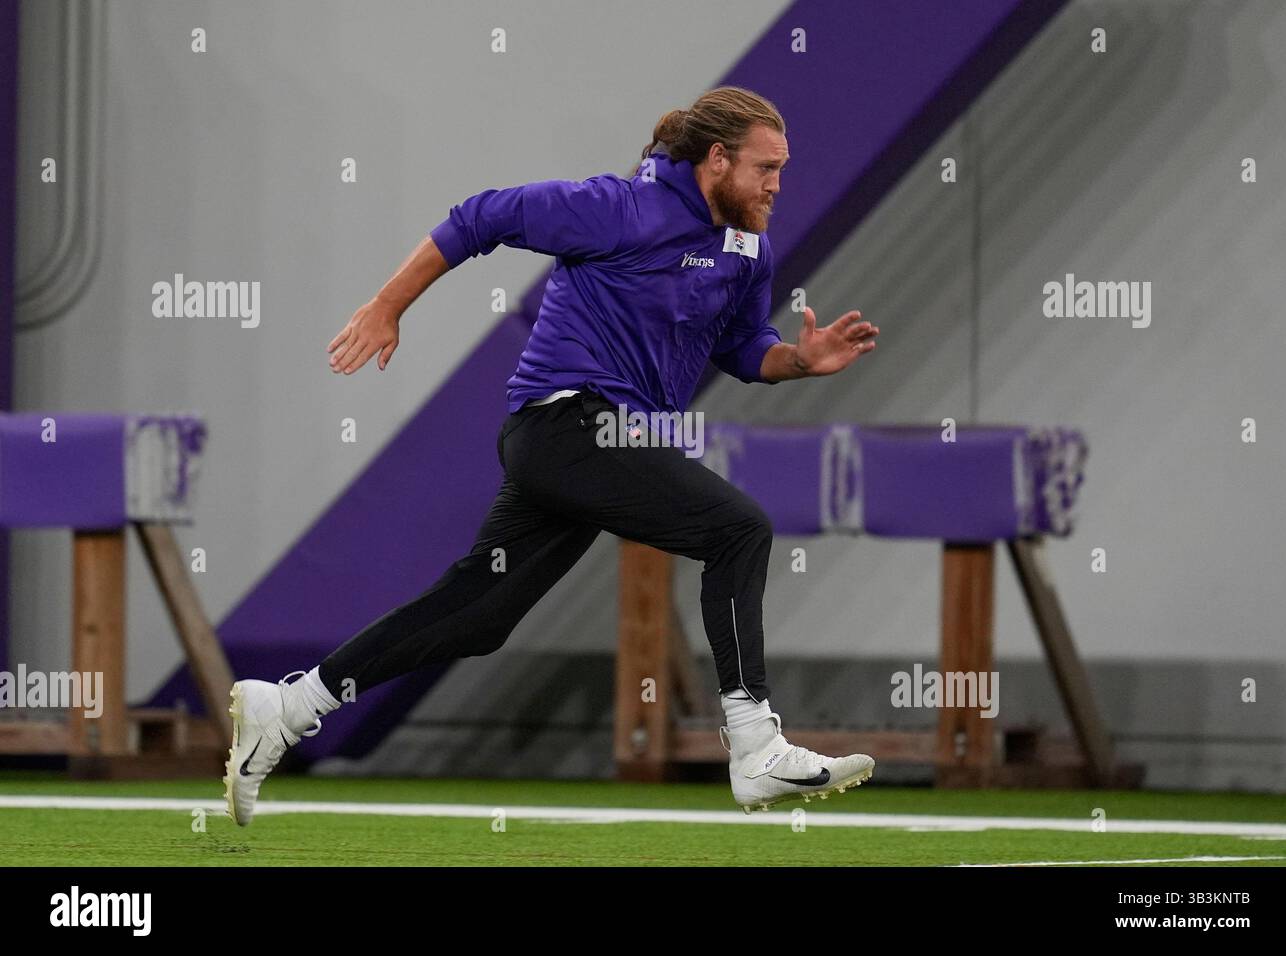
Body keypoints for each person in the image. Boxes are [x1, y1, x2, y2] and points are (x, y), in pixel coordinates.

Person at [224, 86, 880, 825]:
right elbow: (481, 217)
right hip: (566, 425)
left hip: (590, 449)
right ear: (717, 159)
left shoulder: (748, 248)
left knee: (478, 617)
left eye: (784, 169)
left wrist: (797, 359)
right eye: (765, 168)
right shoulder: (618, 208)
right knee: (737, 528)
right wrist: (387, 306)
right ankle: (756, 745)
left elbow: (740, 346)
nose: (776, 185)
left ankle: (286, 705)